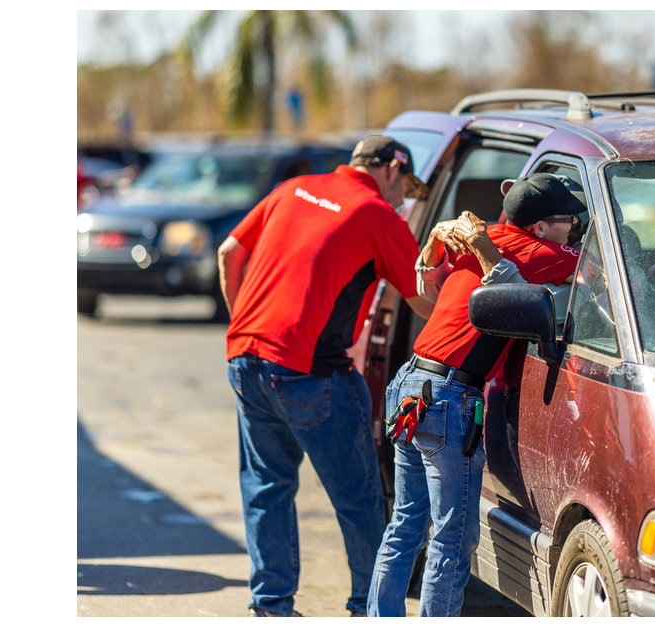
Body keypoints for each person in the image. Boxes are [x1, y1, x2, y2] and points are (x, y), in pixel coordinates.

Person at [216, 135, 435, 617]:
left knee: (267, 488)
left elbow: (229, 252)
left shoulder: (291, 189)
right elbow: (423, 301)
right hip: (310, 373)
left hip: (247, 358)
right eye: (406, 186)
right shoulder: (378, 213)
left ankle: (270, 605)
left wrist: (245, 323)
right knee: (358, 499)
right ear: (391, 169)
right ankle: (370, 607)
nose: (405, 198)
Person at [367, 173, 586, 617]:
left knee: (406, 525)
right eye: (568, 220)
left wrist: (434, 242)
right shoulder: (545, 252)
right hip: (448, 396)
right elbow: (600, 277)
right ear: (542, 227)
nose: (575, 227)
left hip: (410, 384)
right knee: (453, 536)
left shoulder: (478, 238)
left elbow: (426, 278)